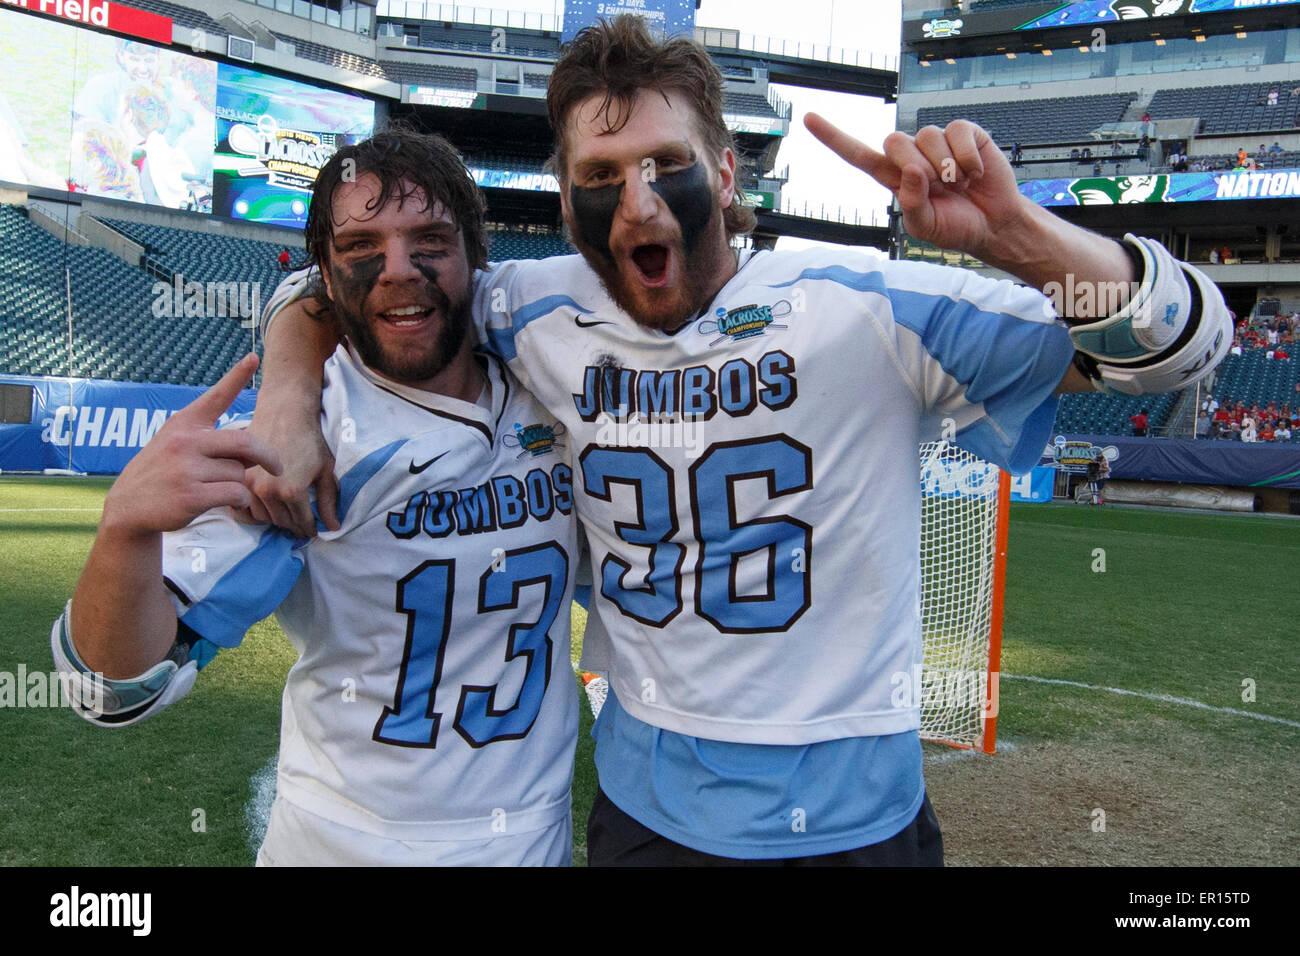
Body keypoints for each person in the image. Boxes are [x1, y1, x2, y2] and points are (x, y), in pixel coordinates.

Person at [248, 16, 1231, 866]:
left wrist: (1010, 234)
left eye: (664, 166)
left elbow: (1178, 344)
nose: (634, 203)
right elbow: (344, 285)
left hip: (858, 820)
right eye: (599, 175)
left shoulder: (867, 309)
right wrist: (286, 403)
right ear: (565, 200)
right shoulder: (531, 308)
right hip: (651, 816)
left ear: (723, 171)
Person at [50, 131, 582, 866]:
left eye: (429, 238)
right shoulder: (311, 441)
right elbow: (110, 685)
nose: (399, 269)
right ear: (327, 279)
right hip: (341, 847)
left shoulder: (556, 389)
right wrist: (124, 530)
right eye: (363, 246)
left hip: (528, 841)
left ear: (474, 260)